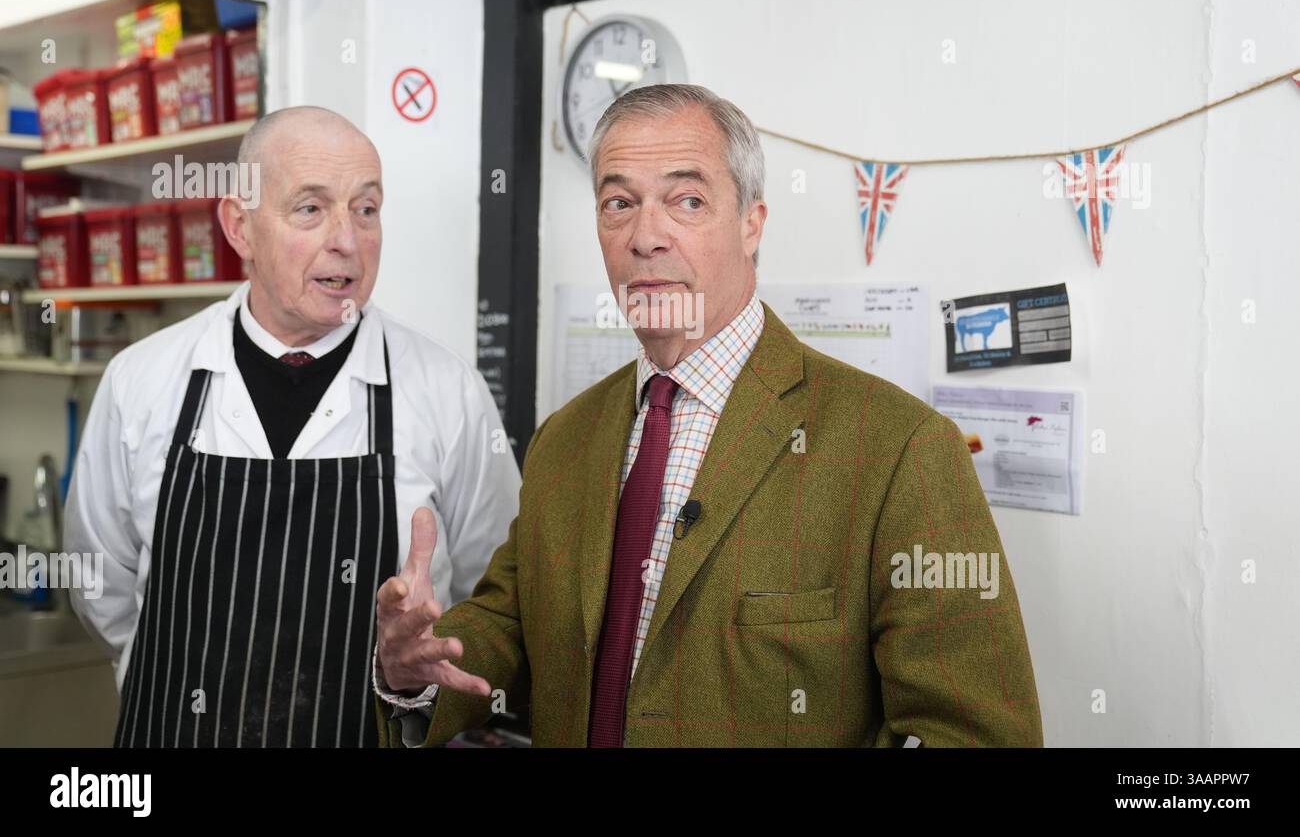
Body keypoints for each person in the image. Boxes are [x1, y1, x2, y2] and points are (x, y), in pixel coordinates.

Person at [374, 84, 1042, 747]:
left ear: (752, 223)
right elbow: (513, 625)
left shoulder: (901, 449)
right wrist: (419, 670)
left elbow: (972, 733)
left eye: (687, 201)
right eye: (618, 203)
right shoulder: (564, 438)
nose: (645, 237)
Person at [65, 106, 520, 747]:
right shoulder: (141, 381)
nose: (348, 240)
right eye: (311, 209)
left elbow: (494, 597)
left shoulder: (448, 392)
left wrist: (424, 670)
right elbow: (101, 587)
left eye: (366, 209)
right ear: (239, 226)